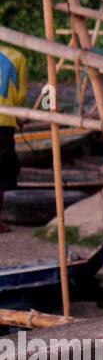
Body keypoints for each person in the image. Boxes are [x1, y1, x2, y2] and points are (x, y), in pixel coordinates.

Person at [0, 45, 27, 233]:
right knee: (1, 173)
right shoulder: (17, 56)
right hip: (4, 121)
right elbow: (19, 94)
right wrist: (18, 115)